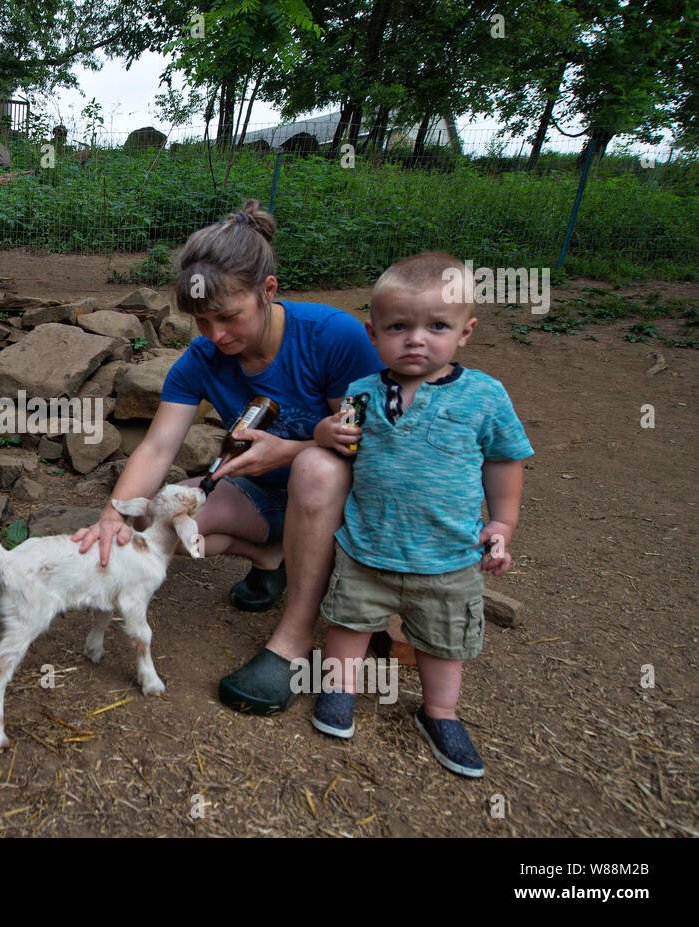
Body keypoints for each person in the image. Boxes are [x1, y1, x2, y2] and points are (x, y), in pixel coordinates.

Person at [72, 199, 381, 714]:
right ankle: (273, 557)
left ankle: (294, 639)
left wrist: (292, 449)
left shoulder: (334, 336)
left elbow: (370, 441)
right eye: (201, 321)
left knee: (316, 465)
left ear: (269, 291)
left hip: (336, 499)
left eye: (229, 316)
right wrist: (112, 516)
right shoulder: (201, 359)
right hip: (258, 493)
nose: (216, 335)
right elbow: (157, 446)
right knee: (160, 518)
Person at [309, 252, 533, 777]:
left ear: (465, 331)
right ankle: (339, 691)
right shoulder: (362, 392)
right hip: (368, 546)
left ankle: (441, 714)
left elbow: (505, 459)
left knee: (443, 641)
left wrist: (501, 524)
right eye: (398, 326)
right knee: (349, 623)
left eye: (436, 326)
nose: (416, 339)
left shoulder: (484, 396)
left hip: (448, 556)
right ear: (373, 332)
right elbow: (343, 446)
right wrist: (324, 434)